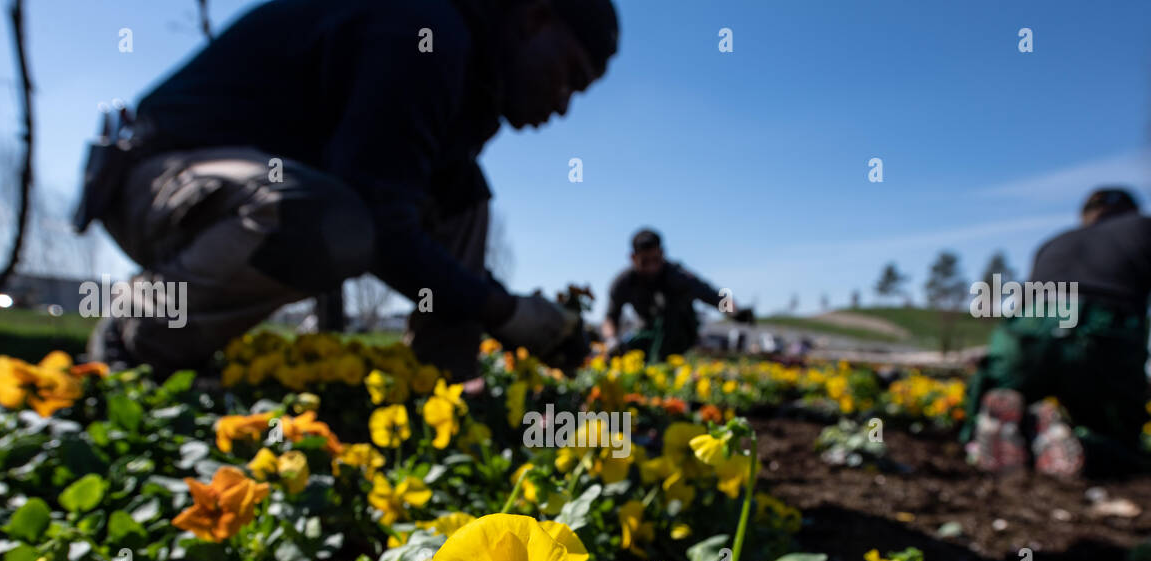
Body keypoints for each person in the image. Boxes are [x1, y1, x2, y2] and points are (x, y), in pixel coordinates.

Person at [78, 0, 619, 382]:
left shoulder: (460, 72)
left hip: (237, 195)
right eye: (570, 74)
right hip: (159, 176)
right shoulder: (424, 29)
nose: (564, 103)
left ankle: (440, 384)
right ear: (536, 18)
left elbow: (408, 220)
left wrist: (515, 316)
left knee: (464, 196)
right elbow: (381, 221)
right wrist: (505, 311)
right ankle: (137, 338)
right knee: (332, 220)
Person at [963, 188, 1151, 477]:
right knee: (1115, 440)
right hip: (1102, 330)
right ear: (1133, 212)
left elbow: (1018, 311)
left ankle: (1008, 427)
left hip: (1026, 331)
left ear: (1087, 216)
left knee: (1010, 386)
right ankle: (1081, 445)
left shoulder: (1054, 242)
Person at [601, 229, 750, 361]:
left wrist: (736, 312)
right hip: (647, 332)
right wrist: (611, 340)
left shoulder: (678, 276)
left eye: (656, 260)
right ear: (633, 257)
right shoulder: (623, 282)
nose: (651, 267)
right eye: (645, 261)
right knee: (625, 352)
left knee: (669, 312)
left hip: (679, 333)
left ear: (662, 253)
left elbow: (713, 295)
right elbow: (610, 317)